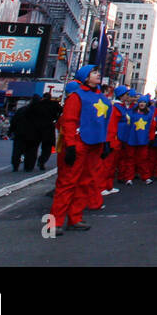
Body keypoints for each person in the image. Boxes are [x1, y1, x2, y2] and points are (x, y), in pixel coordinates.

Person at [47, 66, 107, 232]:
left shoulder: (101, 97)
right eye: (94, 73)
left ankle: (75, 218)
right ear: (85, 78)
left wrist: (106, 143)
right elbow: (69, 122)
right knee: (67, 183)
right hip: (79, 144)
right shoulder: (76, 97)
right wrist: (71, 146)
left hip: (94, 145)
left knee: (85, 183)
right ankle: (55, 222)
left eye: (98, 73)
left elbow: (104, 122)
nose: (98, 75)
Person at [30, 92, 61, 171]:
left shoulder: (36, 105)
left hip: (35, 128)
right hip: (48, 127)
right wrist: (56, 118)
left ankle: (30, 164)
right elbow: (61, 110)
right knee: (47, 148)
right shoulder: (54, 104)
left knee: (33, 147)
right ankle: (42, 161)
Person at [9, 98, 37, 172]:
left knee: (17, 150)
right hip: (33, 135)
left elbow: (14, 121)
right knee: (31, 151)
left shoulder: (21, 110)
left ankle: (15, 165)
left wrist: (11, 131)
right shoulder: (38, 112)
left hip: (19, 133)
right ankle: (29, 166)